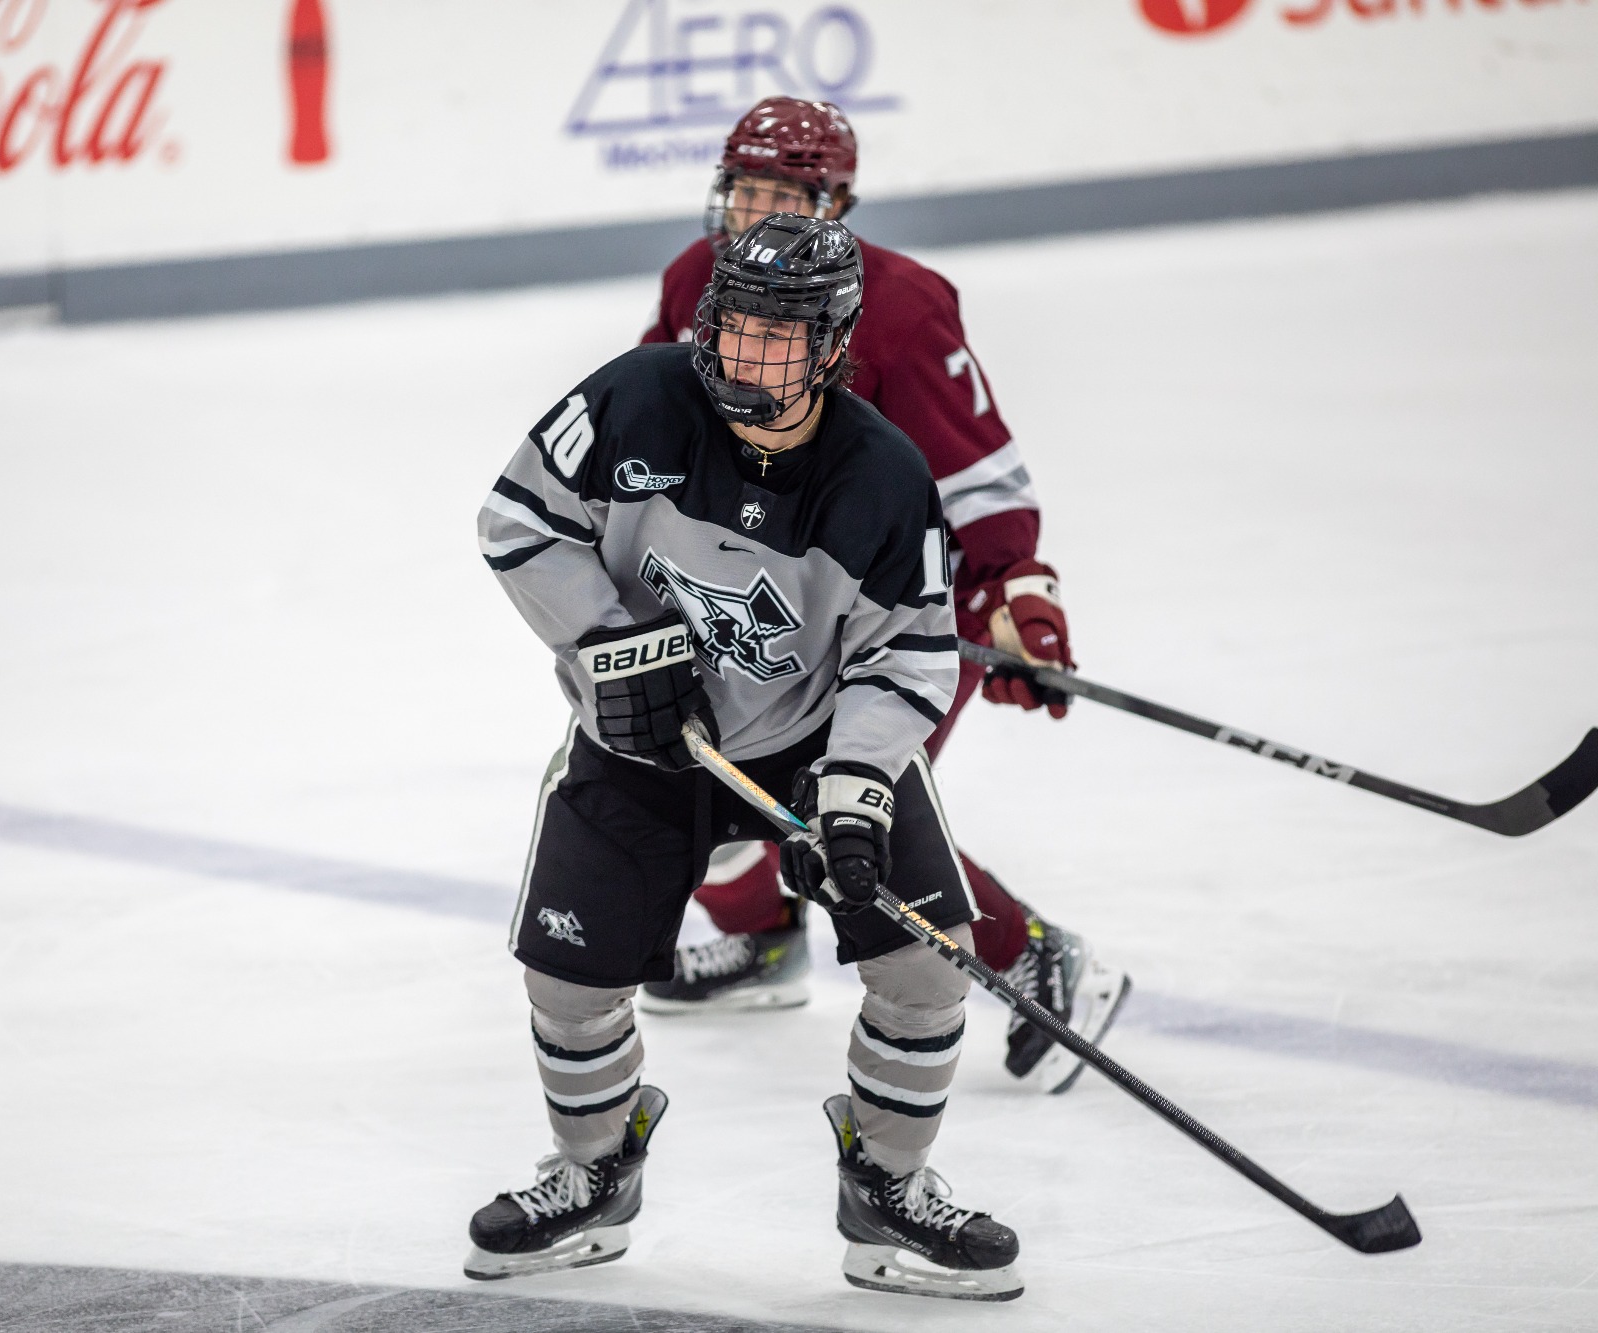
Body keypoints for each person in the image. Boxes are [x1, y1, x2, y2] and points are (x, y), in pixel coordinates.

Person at [466, 214, 1023, 1301]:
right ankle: (591, 1176)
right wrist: (609, 648)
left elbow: (908, 653)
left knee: (922, 965)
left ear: (831, 345)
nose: (744, 357)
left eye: (779, 338)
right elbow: (517, 519)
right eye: (733, 329)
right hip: (636, 743)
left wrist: (856, 789)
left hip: (811, 743)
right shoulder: (633, 396)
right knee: (567, 982)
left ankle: (887, 1192)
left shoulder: (881, 475)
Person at [637, 97, 1127, 1093]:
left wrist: (1013, 596)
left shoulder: (901, 307)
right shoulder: (694, 281)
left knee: (835, 813)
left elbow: (979, 479)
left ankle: (1036, 953)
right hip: (757, 604)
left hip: (888, 611)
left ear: (837, 203)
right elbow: (656, 428)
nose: (756, 214)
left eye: (785, 195)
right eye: (745, 191)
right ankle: (763, 942)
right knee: (682, 786)